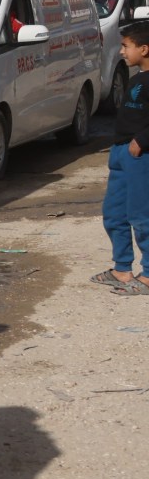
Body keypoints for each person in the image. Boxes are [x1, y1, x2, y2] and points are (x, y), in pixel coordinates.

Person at [95, 22, 149, 294]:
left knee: (142, 216)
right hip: (121, 153)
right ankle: (122, 269)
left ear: (144, 48)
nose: (121, 52)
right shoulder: (137, 77)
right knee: (114, 213)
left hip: (141, 155)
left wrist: (143, 140)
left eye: (126, 46)